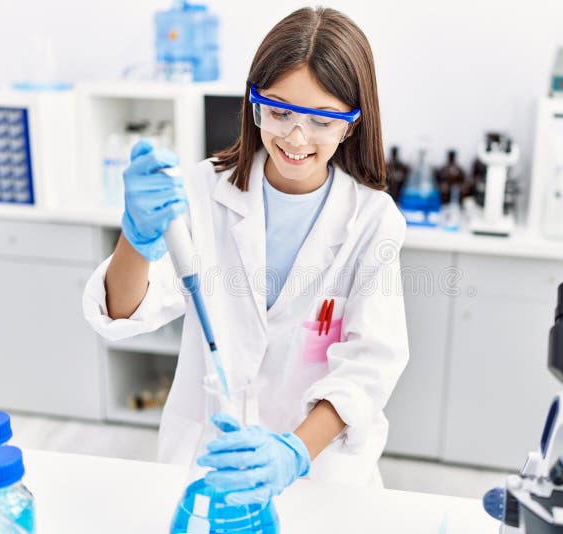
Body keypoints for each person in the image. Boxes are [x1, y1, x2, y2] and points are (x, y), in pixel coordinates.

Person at [82, 7, 408, 506]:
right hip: (207, 462)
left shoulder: (371, 221)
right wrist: (135, 237)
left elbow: (369, 367)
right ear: (253, 104)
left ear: (351, 125)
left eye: (322, 120)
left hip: (319, 476)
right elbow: (123, 314)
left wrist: (292, 453)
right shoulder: (202, 189)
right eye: (279, 111)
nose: (296, 138)